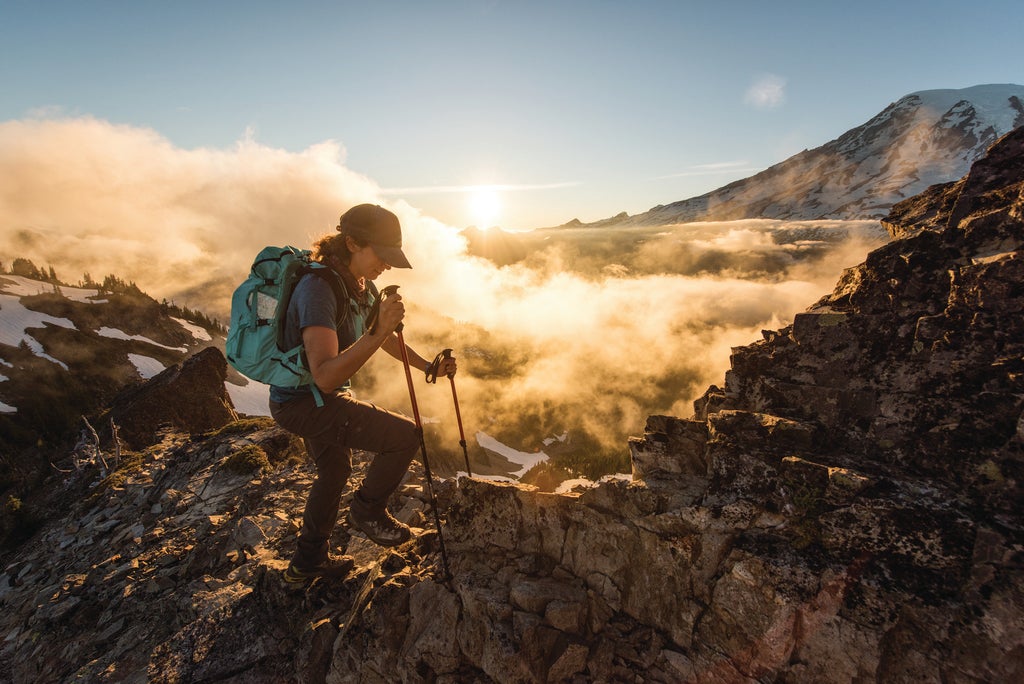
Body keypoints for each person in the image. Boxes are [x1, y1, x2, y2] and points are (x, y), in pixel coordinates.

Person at [269, 203, 457, 583]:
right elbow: (323, 375)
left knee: (335, 470)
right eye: (382, 255)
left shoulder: (356, 284)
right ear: (352, 242)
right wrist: (379, 330)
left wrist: (428, 368)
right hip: (305, 402)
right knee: (406, 437)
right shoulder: (318, 290)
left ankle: (307, 565)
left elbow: (383, 340)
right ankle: (367, 512)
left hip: (308, 397)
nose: (386, 265)